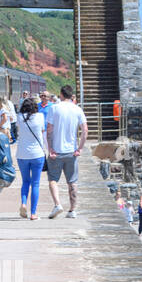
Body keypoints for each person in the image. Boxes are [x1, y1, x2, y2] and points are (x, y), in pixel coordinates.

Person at [45, 85, 89, 219]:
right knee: (72, 181)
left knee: (53, 180)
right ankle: (72, 210)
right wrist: (80, 148)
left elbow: (49, 130)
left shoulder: (54, 108)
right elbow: (85, 131)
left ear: (61, 95)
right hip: (71, 151)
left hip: (56, 152)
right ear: (71, 96)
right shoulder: (77, 109)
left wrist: (50, 148)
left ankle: (58, 204)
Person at [14, 97, 47, 220]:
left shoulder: (19, 117)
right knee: (36, 183)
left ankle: (23, 203)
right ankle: (33, 213)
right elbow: (43, 131)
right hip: (37, 154)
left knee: (25, 181)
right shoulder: (40, 117)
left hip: (22, 154)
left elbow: (18, 129)